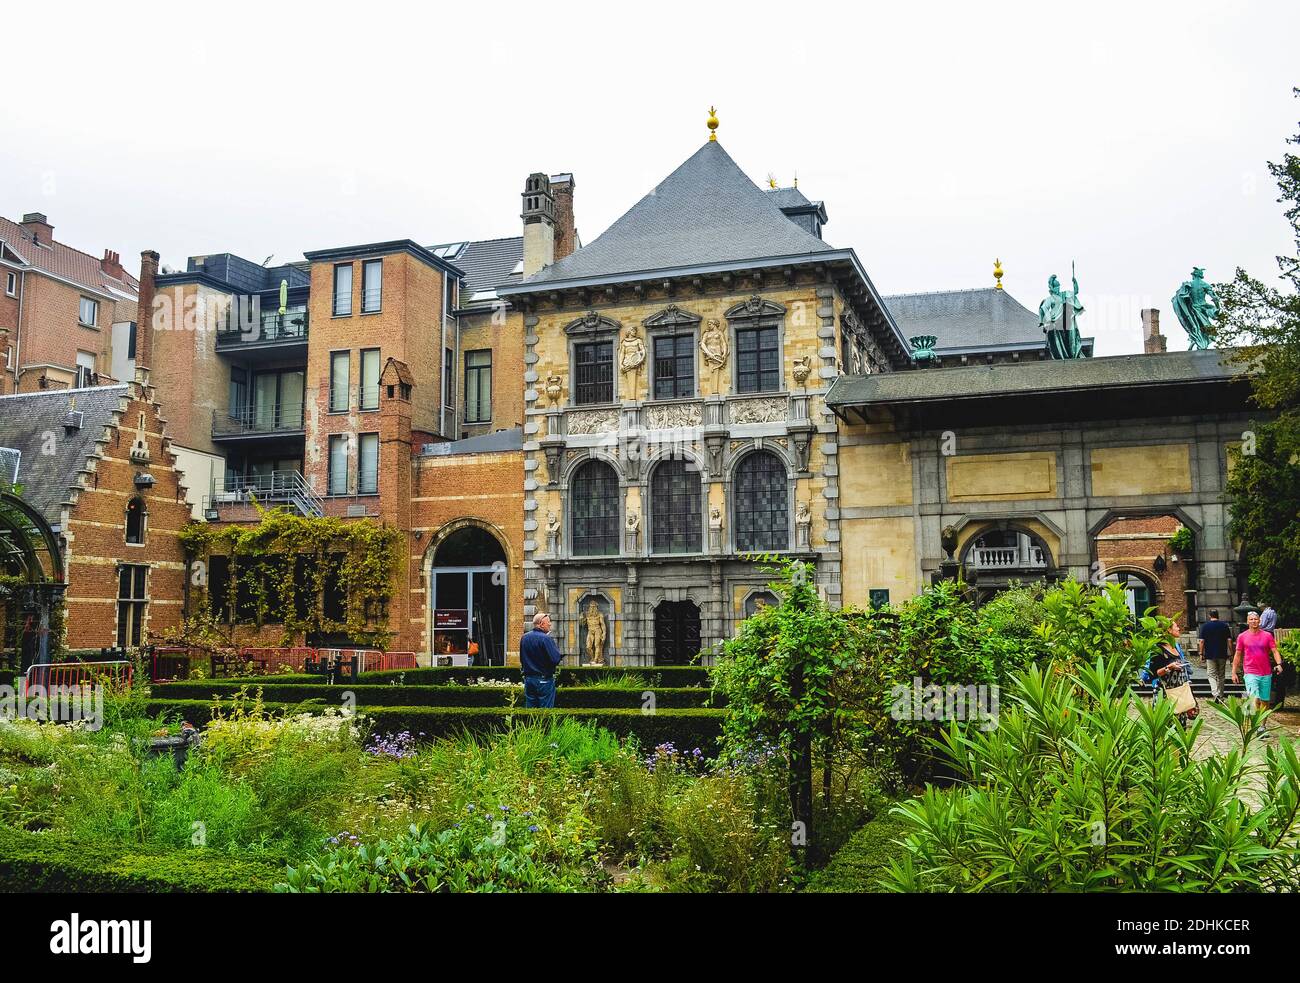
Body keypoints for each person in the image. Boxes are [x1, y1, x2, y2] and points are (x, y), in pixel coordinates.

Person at [1233, 610, 1283, 735]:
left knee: (1265, 700)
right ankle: (1254, 725)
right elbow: (1238, 655)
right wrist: (1234, 671)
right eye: (1251, 619)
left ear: (1259, 621)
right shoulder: (1242, 636)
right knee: (1255, 698)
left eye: (1256, 619)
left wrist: (1279, 664)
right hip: (1250, 671)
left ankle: (1262, 726)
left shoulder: (1267, 635)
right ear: (1247, 621)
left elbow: (1275, 651)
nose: (1254, 621)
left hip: (1265, 672)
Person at [1142, 622, 1198, 727]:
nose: (1178, 628)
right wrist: (1169, 667)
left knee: (1180, 727)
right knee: (1166, 727)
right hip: (1166, 695)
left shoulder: (1175, 646)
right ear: (1168, 630)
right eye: (1176, 626)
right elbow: (1154, 673)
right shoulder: (1158, 649)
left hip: (1179, 694)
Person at [520, 611, 562, 708]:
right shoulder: (545, 639)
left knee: (530, 711)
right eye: (548, 622)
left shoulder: (524, 638)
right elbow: (555, 659)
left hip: (529, 679)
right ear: (541, 624)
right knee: (545, 712)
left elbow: (522, 658)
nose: (550, 624)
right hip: (544, 679)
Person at [1197, 609, 1232, 701]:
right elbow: (1229, 641)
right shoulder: (1224, 626)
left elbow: (1201, 641)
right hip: (1222, 653)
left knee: (1211, 674)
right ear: (1218, 615)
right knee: (1221, 675)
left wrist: (1201, 653)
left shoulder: (1205, 626)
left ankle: (1215, 693)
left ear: (1210, 616)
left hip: (1210, 654)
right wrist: (1231, 653)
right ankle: (1220, 695)